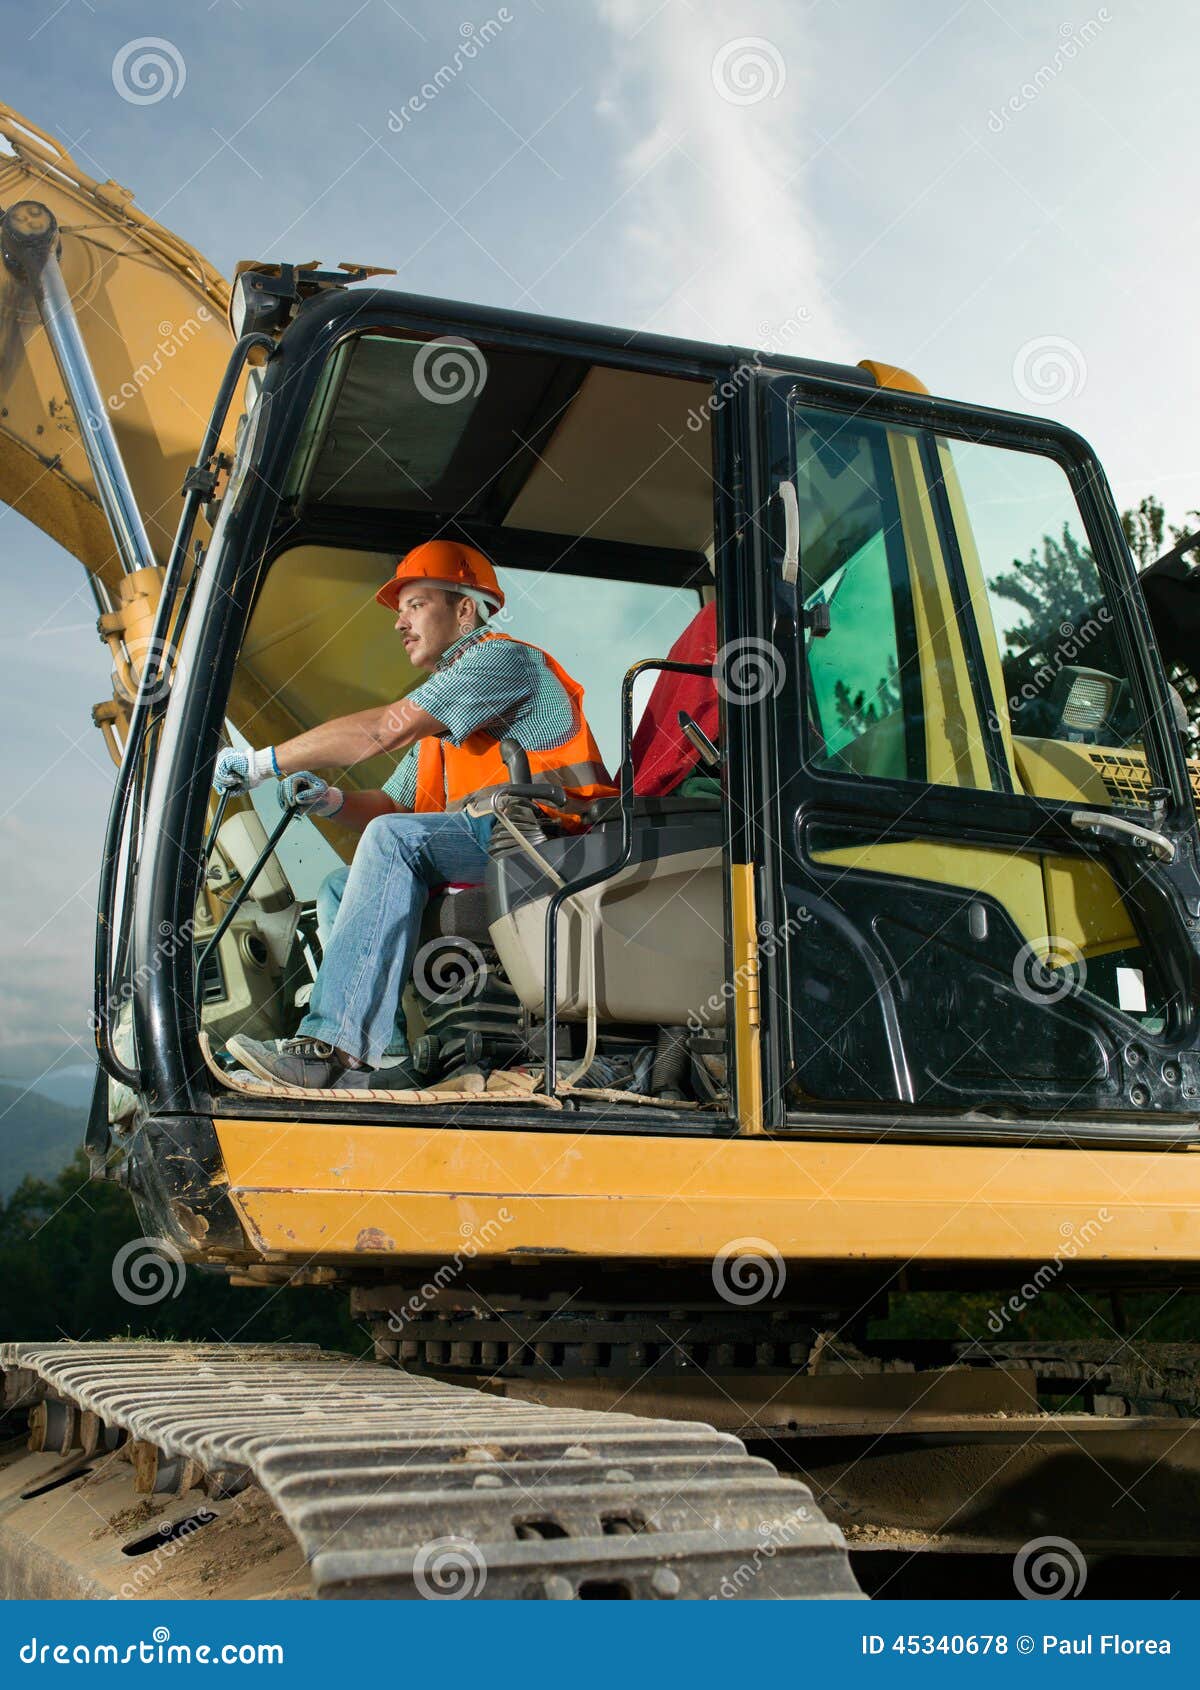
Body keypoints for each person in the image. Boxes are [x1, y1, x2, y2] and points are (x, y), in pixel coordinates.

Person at [213, 539, 615, 1089]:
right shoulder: (443, 711)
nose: (400, 623)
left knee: (392, 840)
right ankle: (385, 1059)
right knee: (337, 884)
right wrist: (331, 801)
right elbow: (390, 805)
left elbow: (383, 732)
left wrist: (263, 762)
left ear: (465, 609)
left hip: (549, 844)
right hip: (496, 843)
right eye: (399, 610)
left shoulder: (502, 660)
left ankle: (331, 1045)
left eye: (416, 604)